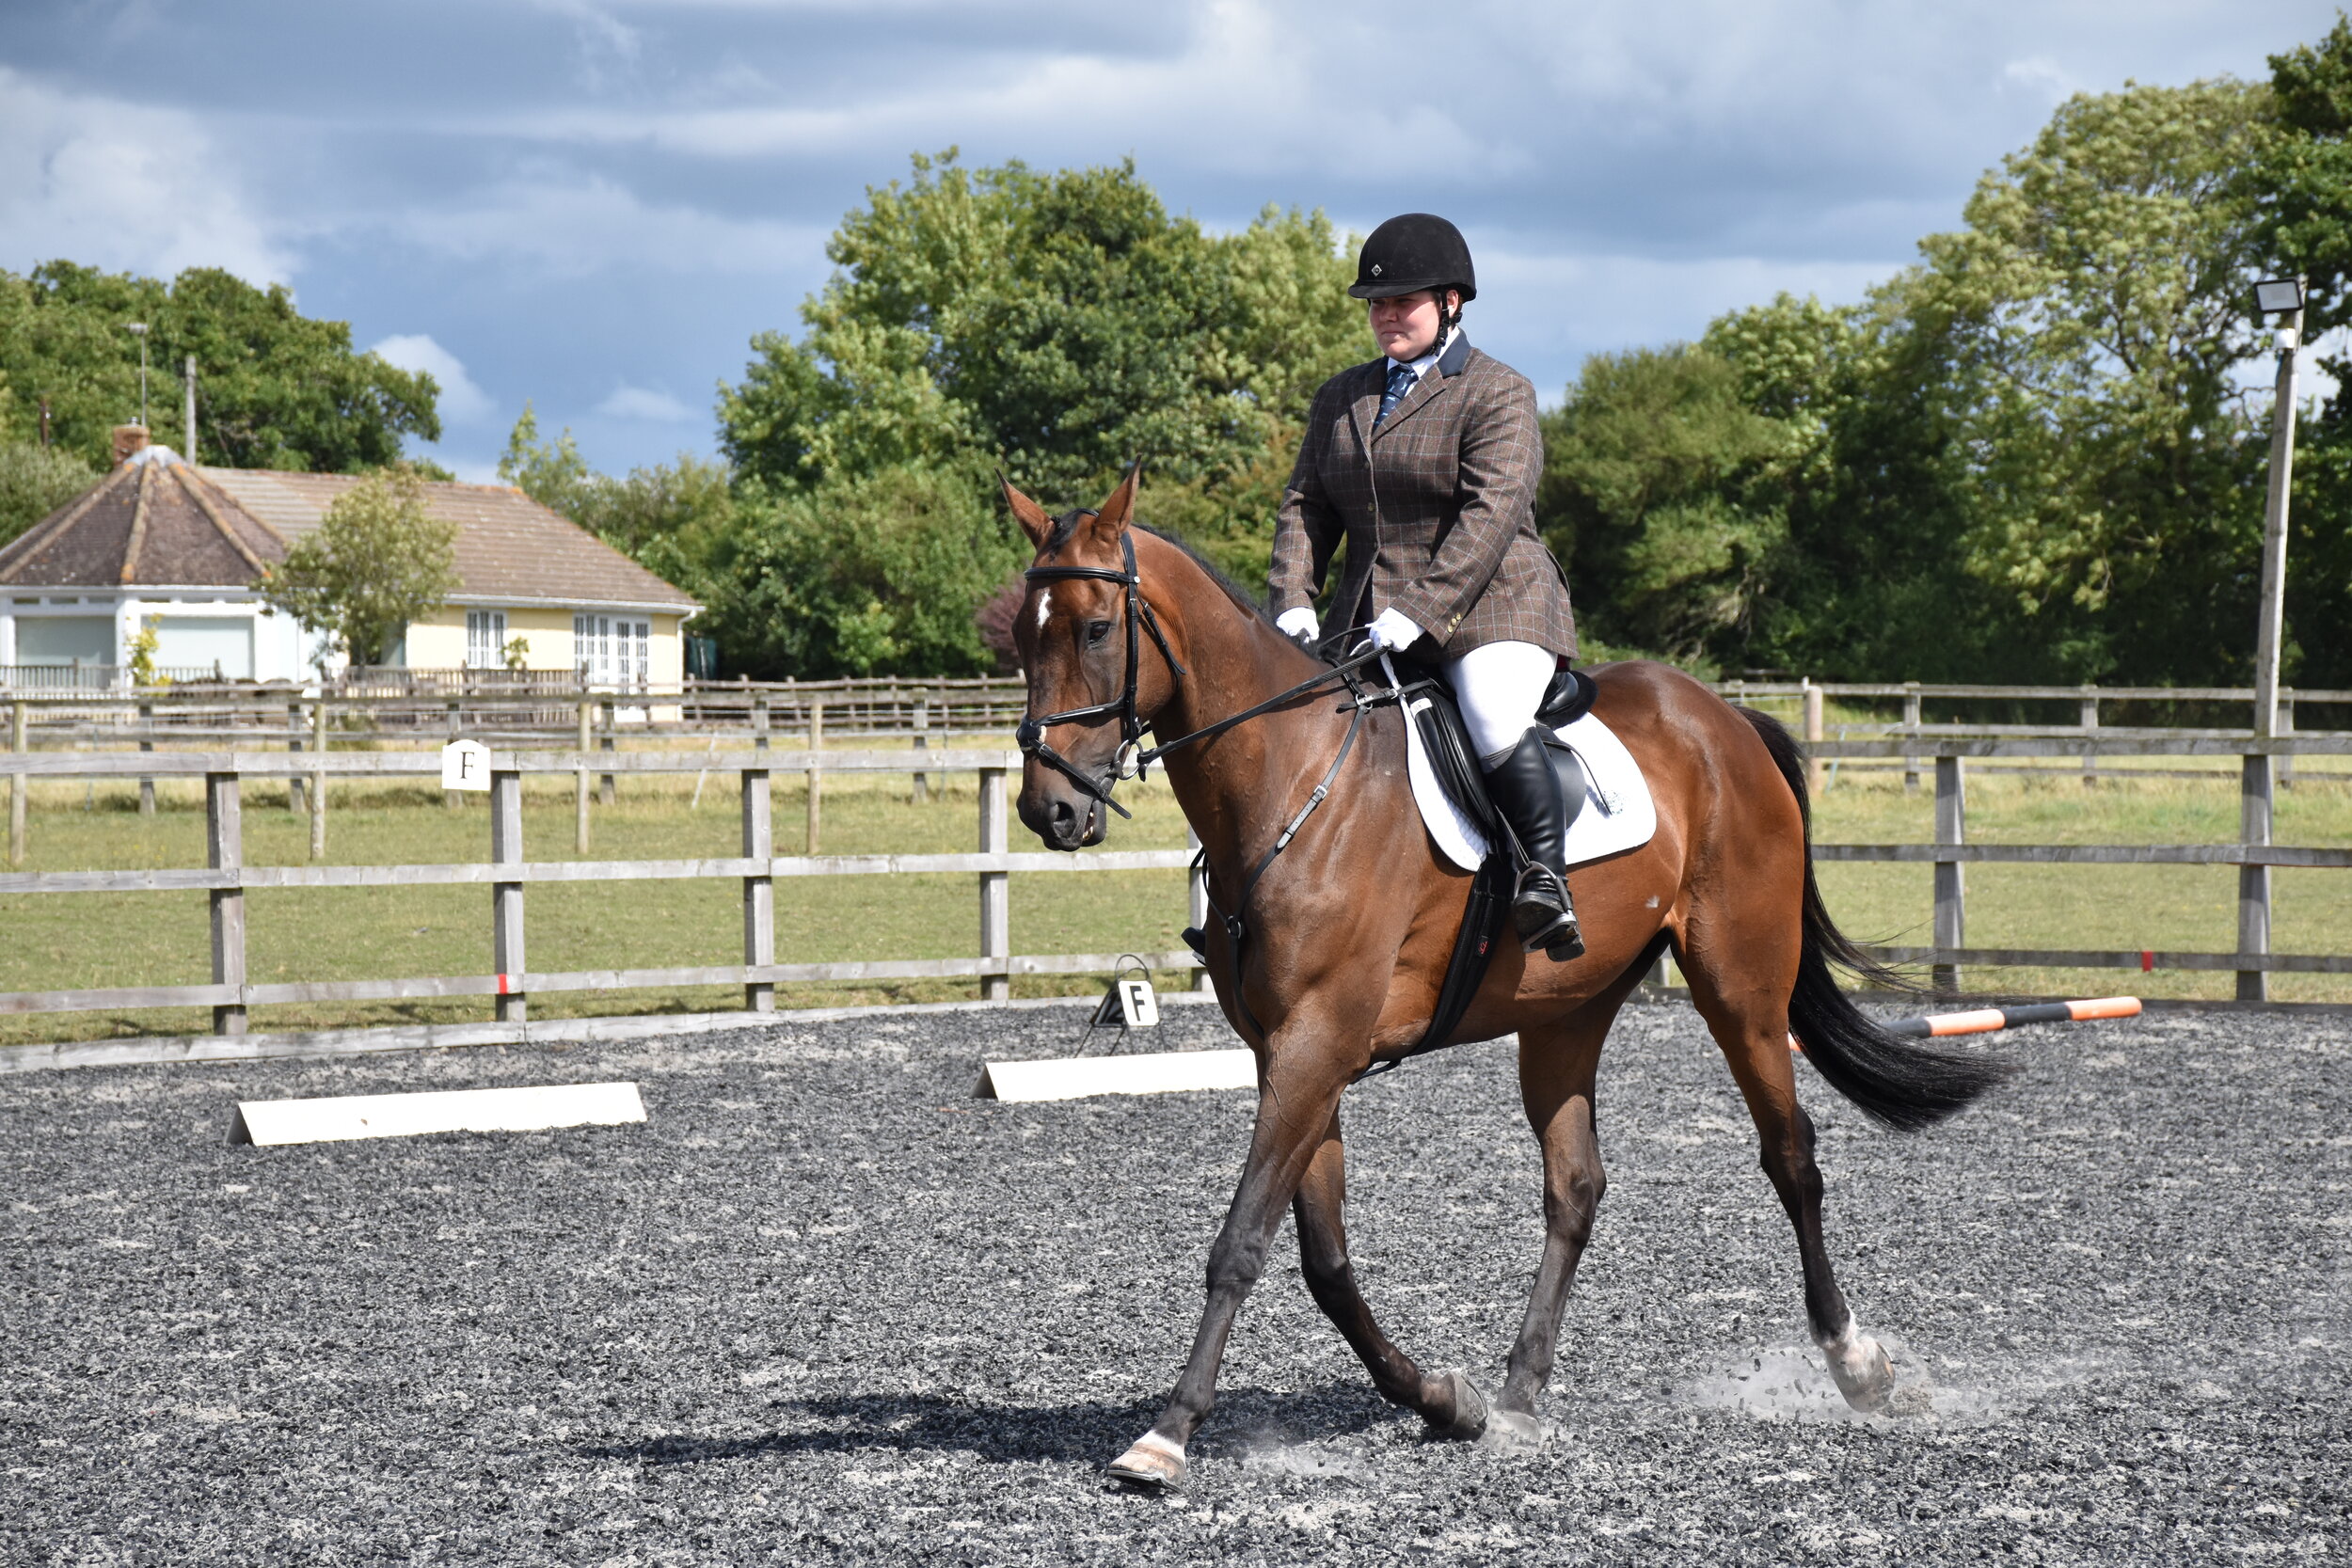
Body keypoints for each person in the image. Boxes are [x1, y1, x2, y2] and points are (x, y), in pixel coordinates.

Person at [1268, 213, 1584, 960]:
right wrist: (1291, 600)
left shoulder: (1499, 392)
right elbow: (1305, 506)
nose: (1384, 316)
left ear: (1450, 303)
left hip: (1494, 605)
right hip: (1365, 618)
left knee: (1490, 709)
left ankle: (1547, 878)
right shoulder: (1340, 397)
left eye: (1400, 303)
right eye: (1376, 304)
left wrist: (1422, 610)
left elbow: (1492, 515)